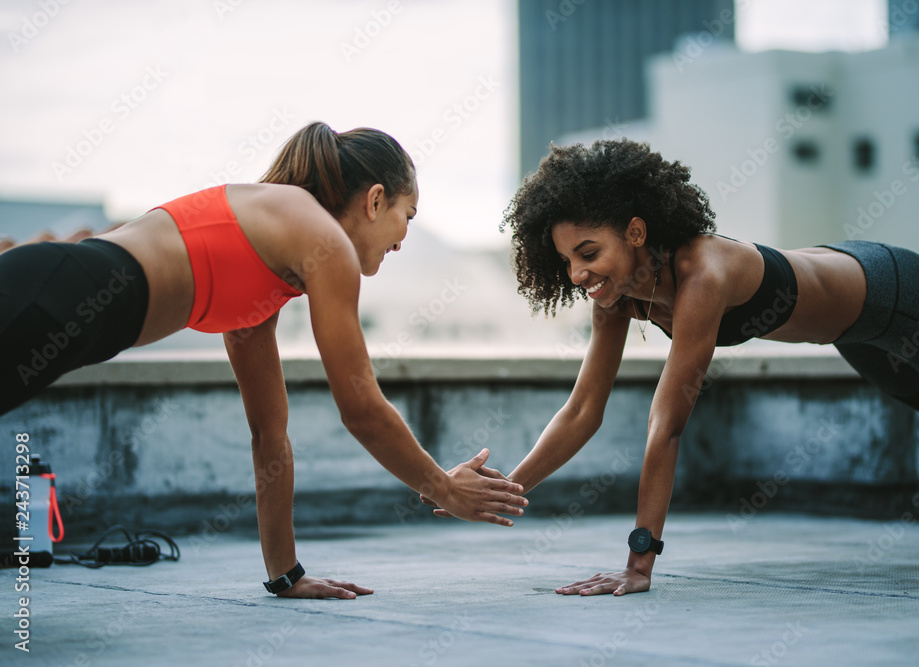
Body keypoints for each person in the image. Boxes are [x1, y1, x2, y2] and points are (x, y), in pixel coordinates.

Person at [0, 121, 528, 598]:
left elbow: (269, 437)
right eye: (405, 216)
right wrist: (443, 487)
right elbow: (361, 407)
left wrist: (287, 575)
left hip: (54, 301)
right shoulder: (323, 241)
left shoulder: (266, 269)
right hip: (53, 297)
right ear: (374, 201)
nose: (403, 238)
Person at [488, 138, 919, 597]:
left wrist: (639, 563)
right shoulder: (617, 297)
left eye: (588, 252)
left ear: (636, 231)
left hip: (900, 296)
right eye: (567, 261)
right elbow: (582, 411)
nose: (578, 274)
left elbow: (666, 425)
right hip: (855, 334)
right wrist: (505, 490)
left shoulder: (702, 274)